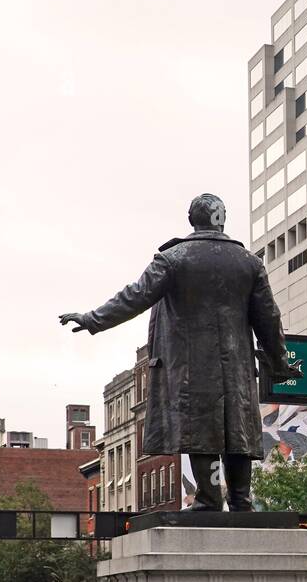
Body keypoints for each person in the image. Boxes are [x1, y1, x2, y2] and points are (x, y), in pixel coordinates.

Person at [59, 194, 290, 512]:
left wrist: (92, 319)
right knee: (237, 430)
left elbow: (134, 297)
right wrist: (280, 361)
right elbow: (269, 318)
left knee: (203, 431)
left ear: (192, 220)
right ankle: (241, 500)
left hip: (192, 368)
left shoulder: (174, 258)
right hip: (237, 368)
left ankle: (209, 500)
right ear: (221, 218)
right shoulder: (249, 263)